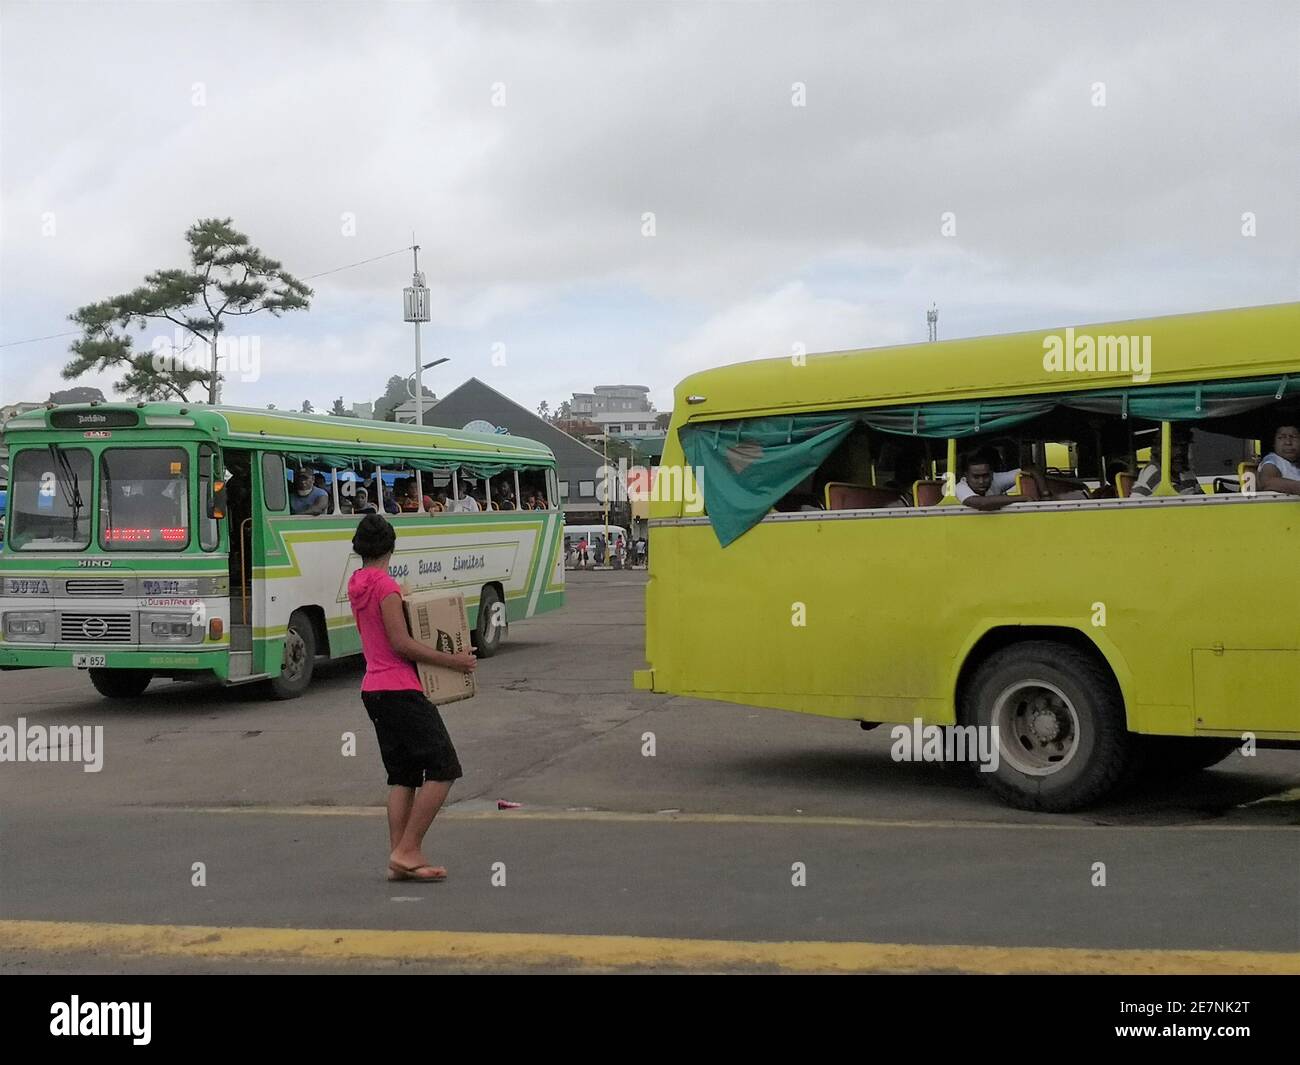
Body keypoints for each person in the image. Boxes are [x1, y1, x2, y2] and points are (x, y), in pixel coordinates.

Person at [347, 515, 476, 883]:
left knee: (402, 775)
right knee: (444, 768)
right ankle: (409, 847)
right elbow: (402, 644)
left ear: (359, 549)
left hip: (373, 689)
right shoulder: (386, 587)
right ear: (391, 547)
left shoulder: (358, 583)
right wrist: (456, 661)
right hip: (400, 688)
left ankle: (399, 856)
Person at [955, 448, 1050, 511]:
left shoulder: (996, 479)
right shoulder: (960, 487)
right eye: (976, 477)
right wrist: (1023, 498)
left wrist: (1045, 494)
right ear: (966, 476)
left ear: (992, 474)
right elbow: (981, 503)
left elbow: (1031, 470)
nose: (981, 481)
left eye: (985, 476)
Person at [1130, 428, 1199, 497]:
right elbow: (1181, 498)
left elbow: (1201, 496)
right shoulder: (1152, 471)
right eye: (1174, 446)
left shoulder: (1185, 471)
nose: (1180, 451)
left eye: (1183, 446)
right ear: (1159, 448)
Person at [1256, 424, 1300, 495]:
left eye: (1294, 437)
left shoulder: (1296, 463)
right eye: (1281, 437)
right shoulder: (1273, 459)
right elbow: (1267, 482)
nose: (1288, 442)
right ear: (1274, 443)